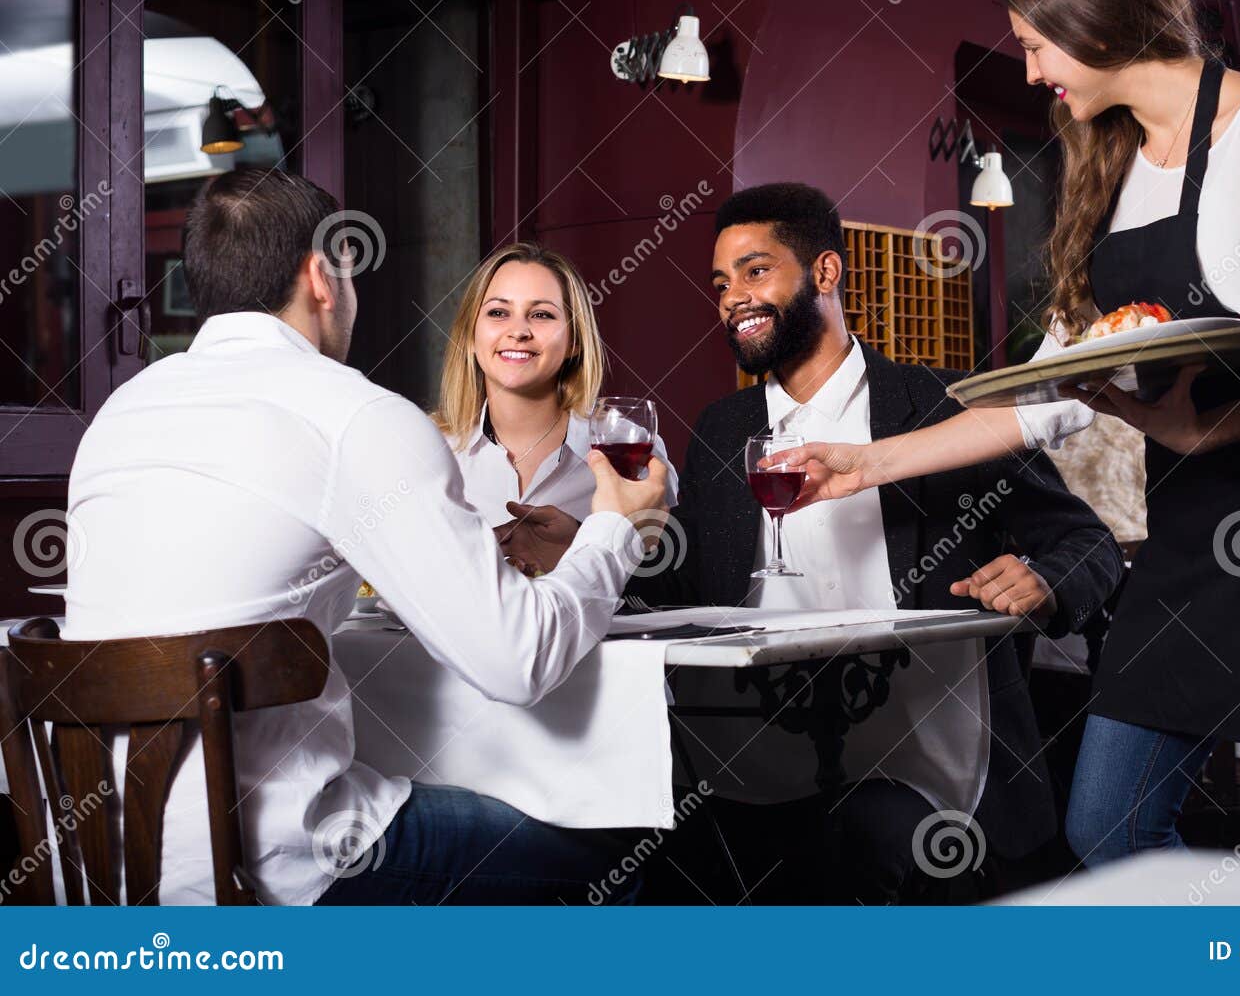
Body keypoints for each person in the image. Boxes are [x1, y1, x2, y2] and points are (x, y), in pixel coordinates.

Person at [770, 0, 1240, 866]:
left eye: (1036, 46)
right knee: (1106, 828)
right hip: (1189, 534)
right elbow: (1050, 392)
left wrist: (1197, 433)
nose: (1032, 72)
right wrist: (865, 461)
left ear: (1098, 22)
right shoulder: (1117, 161)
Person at [63, 169, 667, 904]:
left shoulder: (119, 415)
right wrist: (614, 527)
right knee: (627, 848)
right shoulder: (354, 414)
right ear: (323, 275)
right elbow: (517, 662)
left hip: (97, 870)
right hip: (277, 866)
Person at [627, 182, 1123, 902]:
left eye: (755, 270)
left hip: (924, 751)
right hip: (749, 752)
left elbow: (1087, 543)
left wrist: (1044, 580)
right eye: (721, 281)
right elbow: (686, 579)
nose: (733, 294)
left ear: (825, 272)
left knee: (863, 845)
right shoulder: (721, 429)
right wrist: (595, 543)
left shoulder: (945, 407)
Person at [433, 242, 678, 568]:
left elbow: (667, 584)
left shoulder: (631, 449)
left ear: (574, 341)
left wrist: (579, 546)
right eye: (498, 312)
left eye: (541, 315)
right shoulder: (430, 450)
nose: (518, 331)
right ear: (469, 336)